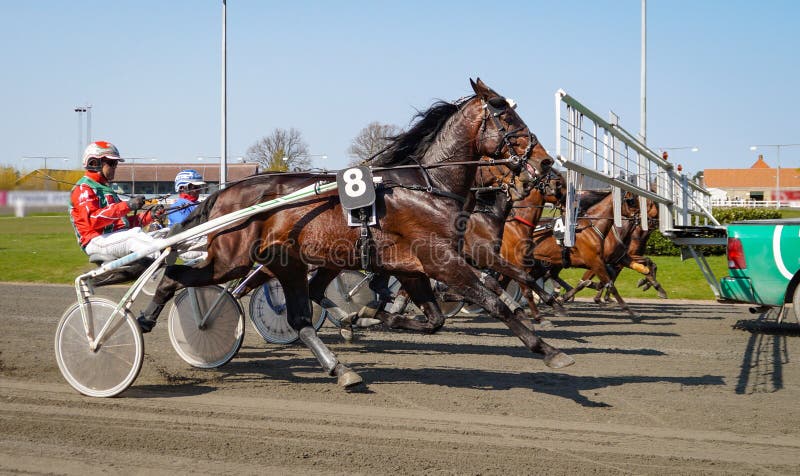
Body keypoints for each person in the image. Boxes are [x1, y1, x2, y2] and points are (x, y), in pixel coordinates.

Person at [70, 140, 164, 261]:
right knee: (134, 238)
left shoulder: (106, 189)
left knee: (162, 235)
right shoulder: (83, 188)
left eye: (115, 163)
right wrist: (127, 205)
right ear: (94, 163)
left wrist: (150, 216)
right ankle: (161, 268)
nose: (115, 167)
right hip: (95, 240)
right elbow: (94, 220)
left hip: (113, 237)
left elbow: (123, 223)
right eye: (111, 163)